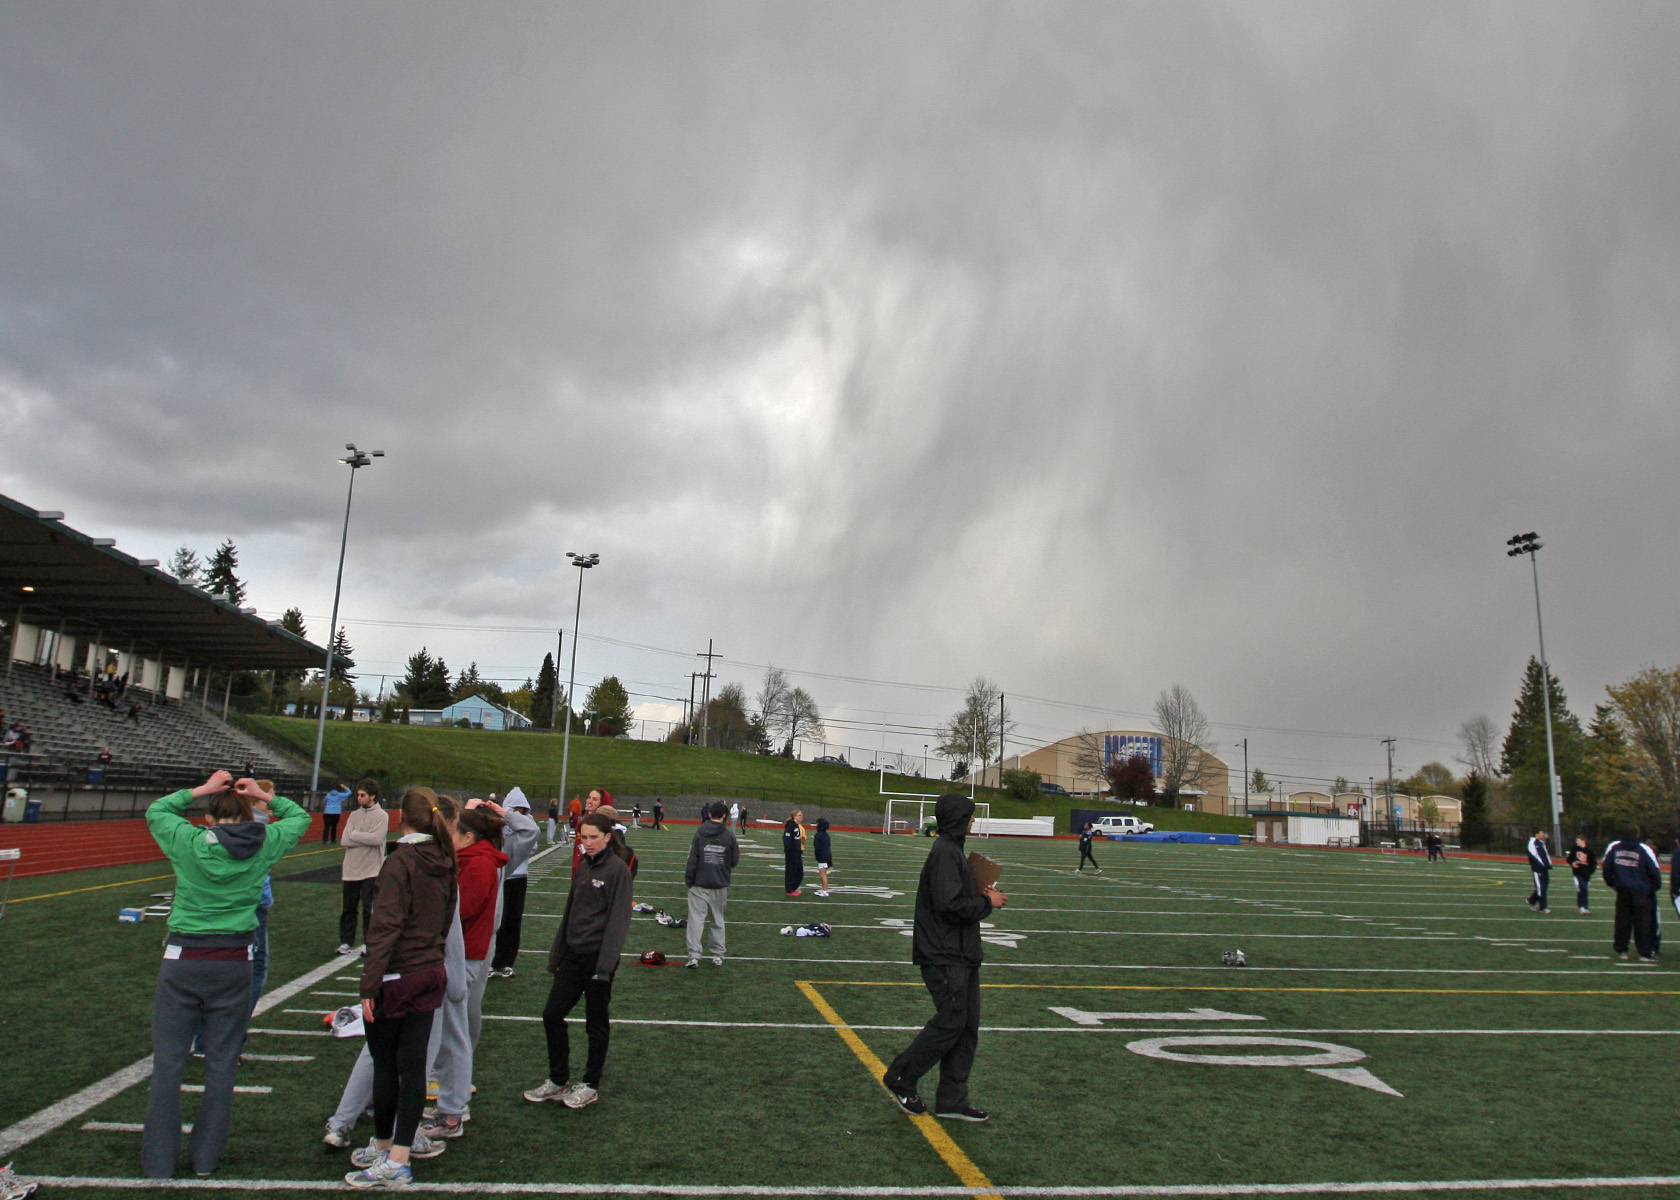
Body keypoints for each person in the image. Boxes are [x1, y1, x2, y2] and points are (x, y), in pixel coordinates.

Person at [141, 770, 309, 1179]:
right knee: (221, 1064)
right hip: (234, 961)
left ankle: (159, 1162)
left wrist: (201, 789)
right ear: (251, 818)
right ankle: (205, 1159)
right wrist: (261, 797)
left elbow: (158, 809)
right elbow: (301, 818)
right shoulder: (264, 842)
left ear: (210, 820)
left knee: (169, 1064)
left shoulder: (190, 841)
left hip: (183, 960)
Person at [345, 788, 459, 1188]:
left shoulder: (400, 861)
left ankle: (389, 1149)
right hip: (429, 970)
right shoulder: (444, 858)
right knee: (412, 1070)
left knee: (389, 1067)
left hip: (398, 975)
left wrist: (370, 981)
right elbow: (444, 920)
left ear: (400, 817)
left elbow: (385, 926)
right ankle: (395, 1152)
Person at [880, 793, 1008, 1124]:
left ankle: (952, 1099)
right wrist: (987, 904)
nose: (973, 821)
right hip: (944, 954)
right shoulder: (945, 854)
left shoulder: (952, 853)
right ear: (958, 819)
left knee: (966, 1028)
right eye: (970, 816)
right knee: (951, 1022)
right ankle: (902, 1076)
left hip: (961, 953)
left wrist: (978, 893)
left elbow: (953, 899)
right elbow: (949, 907)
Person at [525, 812, 633, 1109]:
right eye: (583, 838)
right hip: (572, 956)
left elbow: (618, 922)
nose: (587, 843)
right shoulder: (583, 866)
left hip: (598, 959)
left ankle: (591, 1084)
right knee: (552, 1014)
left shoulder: (618, 870)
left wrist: (605, 967)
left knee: (595, 1024)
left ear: (608, 837)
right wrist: (557, 953)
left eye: (593, 837)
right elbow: (569, 914)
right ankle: (559, 1080)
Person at [491, 789, 540, 978]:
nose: (518, 813)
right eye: (515, 810)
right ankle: (493, 959)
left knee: (513, 920)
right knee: (498, 920)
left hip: (520, 877)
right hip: (502, 875)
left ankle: (507, 961)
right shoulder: (497, 823)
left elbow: (532, 843)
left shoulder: (529, 822)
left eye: (522, 810)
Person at [684, 802, 739, 967]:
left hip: (699, 882)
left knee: (696, 920)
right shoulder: (729, 836)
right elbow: (734, 861)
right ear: (724, 816)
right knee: (718, 919)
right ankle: (717, 954)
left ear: (709, 814)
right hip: (720, 883)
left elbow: (693, 858)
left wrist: (689, 880)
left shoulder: (700, 833)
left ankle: (694, 955)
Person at [338, 779, 387, 955]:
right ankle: (346, 942)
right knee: (348, 909)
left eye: (362, 795)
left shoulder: (382, 815)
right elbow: (344, 839)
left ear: (372, 796)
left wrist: (356, 835)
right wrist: (364, 837)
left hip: (372, 869)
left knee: (369, 909)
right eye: (358, 794)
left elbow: (376, 839)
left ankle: (369, 943)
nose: (358, 797)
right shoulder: (353, 816)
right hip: (351, 869)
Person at [1602, 825, 1662, 961]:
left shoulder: (1615, 848)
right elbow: (1654, 871)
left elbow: (1606, 868)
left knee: (1622, 921)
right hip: (1641, 891)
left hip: (1622, 890)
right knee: (1643, 923)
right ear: (1637, 834)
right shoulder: (1642, 850)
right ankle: (1644, 953)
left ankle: (1622, 950)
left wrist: (1612, 883)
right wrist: (1652, 888)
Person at [1566, 835, 1597, 915]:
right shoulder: (1574, 849)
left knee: (1585, 890)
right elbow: (1569, 859)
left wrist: (1590, 872)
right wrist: (1573, 863)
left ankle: (1585, 907)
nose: (1577, 841)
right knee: (1582, 888)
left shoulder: (1589, 850)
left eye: (1578, 840)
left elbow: (1593, 863)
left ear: (1583, 840)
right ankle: (1582, 907)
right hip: (1578, 872)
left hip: (1586, 873)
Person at [1525, 828, 1552, 913]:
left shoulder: (1541, 843)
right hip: (1538, 869)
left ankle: (1531, 900)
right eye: (1541, 832)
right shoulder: (1532, 843)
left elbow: (1545, 854)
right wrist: (1541, 864)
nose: (1543, 834)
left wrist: (1549, 864)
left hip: (1544, 868)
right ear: (1536, 833)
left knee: (1543, 886)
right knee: (1541, 888)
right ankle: (1543, 907)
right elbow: (1533, 856)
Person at [783, 809, 806, 897]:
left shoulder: (797, 826)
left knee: (799, 872)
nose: (801, 817)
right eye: (799, 815)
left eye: (801, 815)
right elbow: (786, 837)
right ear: (794, 816)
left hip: (797, 852)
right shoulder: (791, 826)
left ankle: (793, 887)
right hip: (792, 853)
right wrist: (788, 849)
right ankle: (789, 890)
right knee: (791, 872)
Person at [813, 818, 833, 896]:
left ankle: (825, 891)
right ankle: (823, 889)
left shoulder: (818, 835)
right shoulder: (826, 834)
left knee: (823, 874)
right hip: (827, 855)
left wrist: (817, 856)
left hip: (823, 856)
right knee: (823, 873)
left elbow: (817, 847)